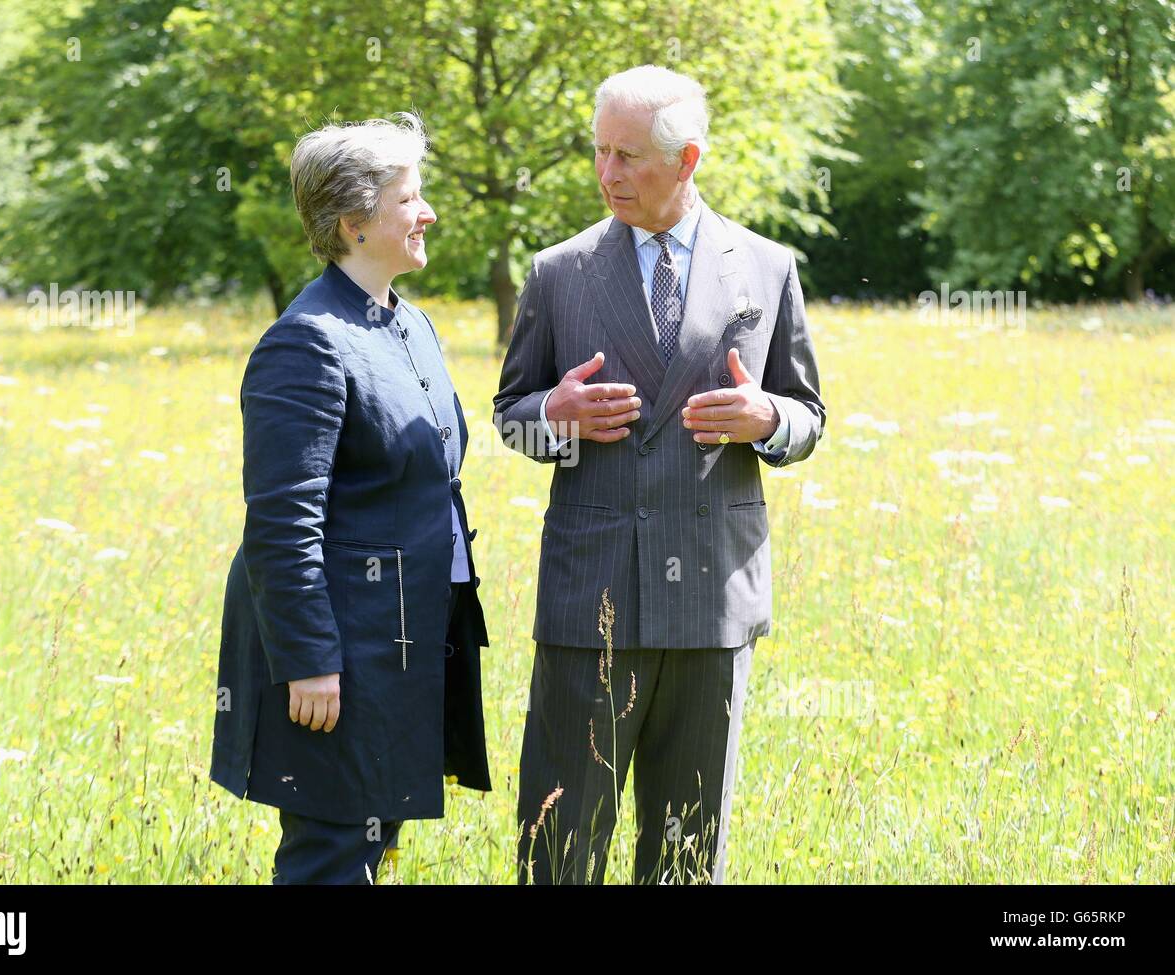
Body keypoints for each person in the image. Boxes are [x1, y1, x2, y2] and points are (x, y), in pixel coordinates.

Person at [494, 65, 826, 884]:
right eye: (600, 152)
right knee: (560, 847)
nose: (609, 174)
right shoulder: (558, 272)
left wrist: (768, 421)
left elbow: (808, 415)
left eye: (630, 156)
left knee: (684, 854)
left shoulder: (766, 267)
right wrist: (553, 419)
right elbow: (510, 415)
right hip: (588, 602)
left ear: (687, 161)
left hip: (711, 601)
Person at [210, 112, 490, 884]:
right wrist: (307, 661)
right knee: (332, 856)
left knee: (374, 846)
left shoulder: (408, 323)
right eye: (410, 198)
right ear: (354, 221)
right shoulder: (307, 342)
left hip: (403, 637)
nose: (428, 211)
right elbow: (280, 521)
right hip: (339, 654)